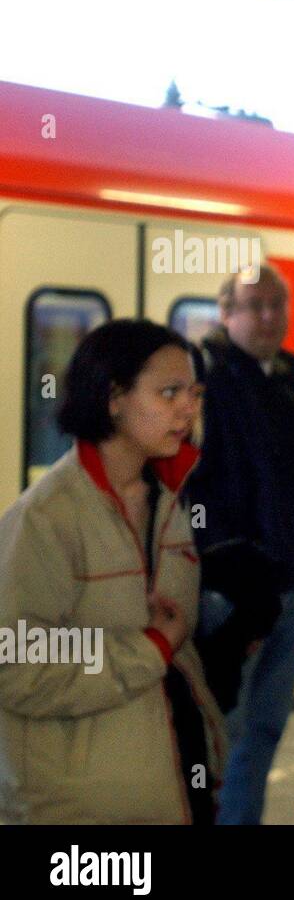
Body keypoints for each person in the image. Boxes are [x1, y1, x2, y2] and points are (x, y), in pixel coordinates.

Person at [0, 319, 223, 823]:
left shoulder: (168, 501)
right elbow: (16, 664)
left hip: (174, 788)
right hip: (81, 812)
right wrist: (149, 650)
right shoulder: (46, 518)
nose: (188, 408)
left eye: (193, 392)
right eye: (169, 393)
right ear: (113, 398)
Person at [187, 263, 294, 825]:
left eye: (277, 305)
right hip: (237, 593)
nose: (268, 316)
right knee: (224, 728)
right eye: (254, 306)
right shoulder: (207, 383)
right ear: (227, 314)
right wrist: (228, 558)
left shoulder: (286, 383)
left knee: (264, 728)